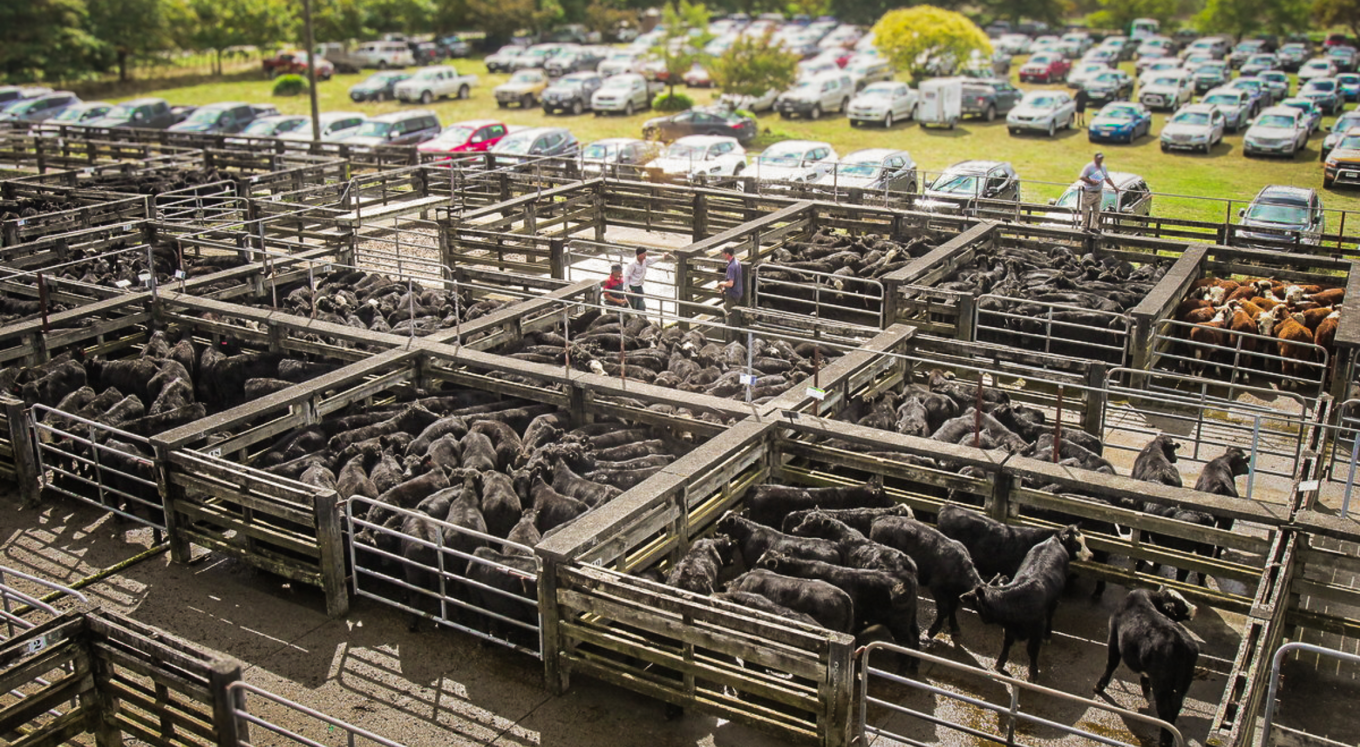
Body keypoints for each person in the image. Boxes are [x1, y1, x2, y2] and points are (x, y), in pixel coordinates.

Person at [1077, 152, 1118, 233]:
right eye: (1099, 158)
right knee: (1085, 210)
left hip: (1098, 192)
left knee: (1097, 211)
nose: (1100, 160)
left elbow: (1107, 178)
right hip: (1089, 192)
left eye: (1101, 158)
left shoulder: (1103, 167)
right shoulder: (1089, 167)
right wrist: (1091, 181)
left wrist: (1114, 186)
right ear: (1095, 158)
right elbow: (1082, 177)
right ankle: (1084, 226)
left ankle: (1094, 227)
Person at [718, 247, 743, 318]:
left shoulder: (731, 267)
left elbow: (730, 284)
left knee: (728, 313)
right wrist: (725, 288)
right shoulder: (737, 262)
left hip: (732, 295)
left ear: (727, 254)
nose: (722, 255)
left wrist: (721, 283)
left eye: (723, 253)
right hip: (738, 292)